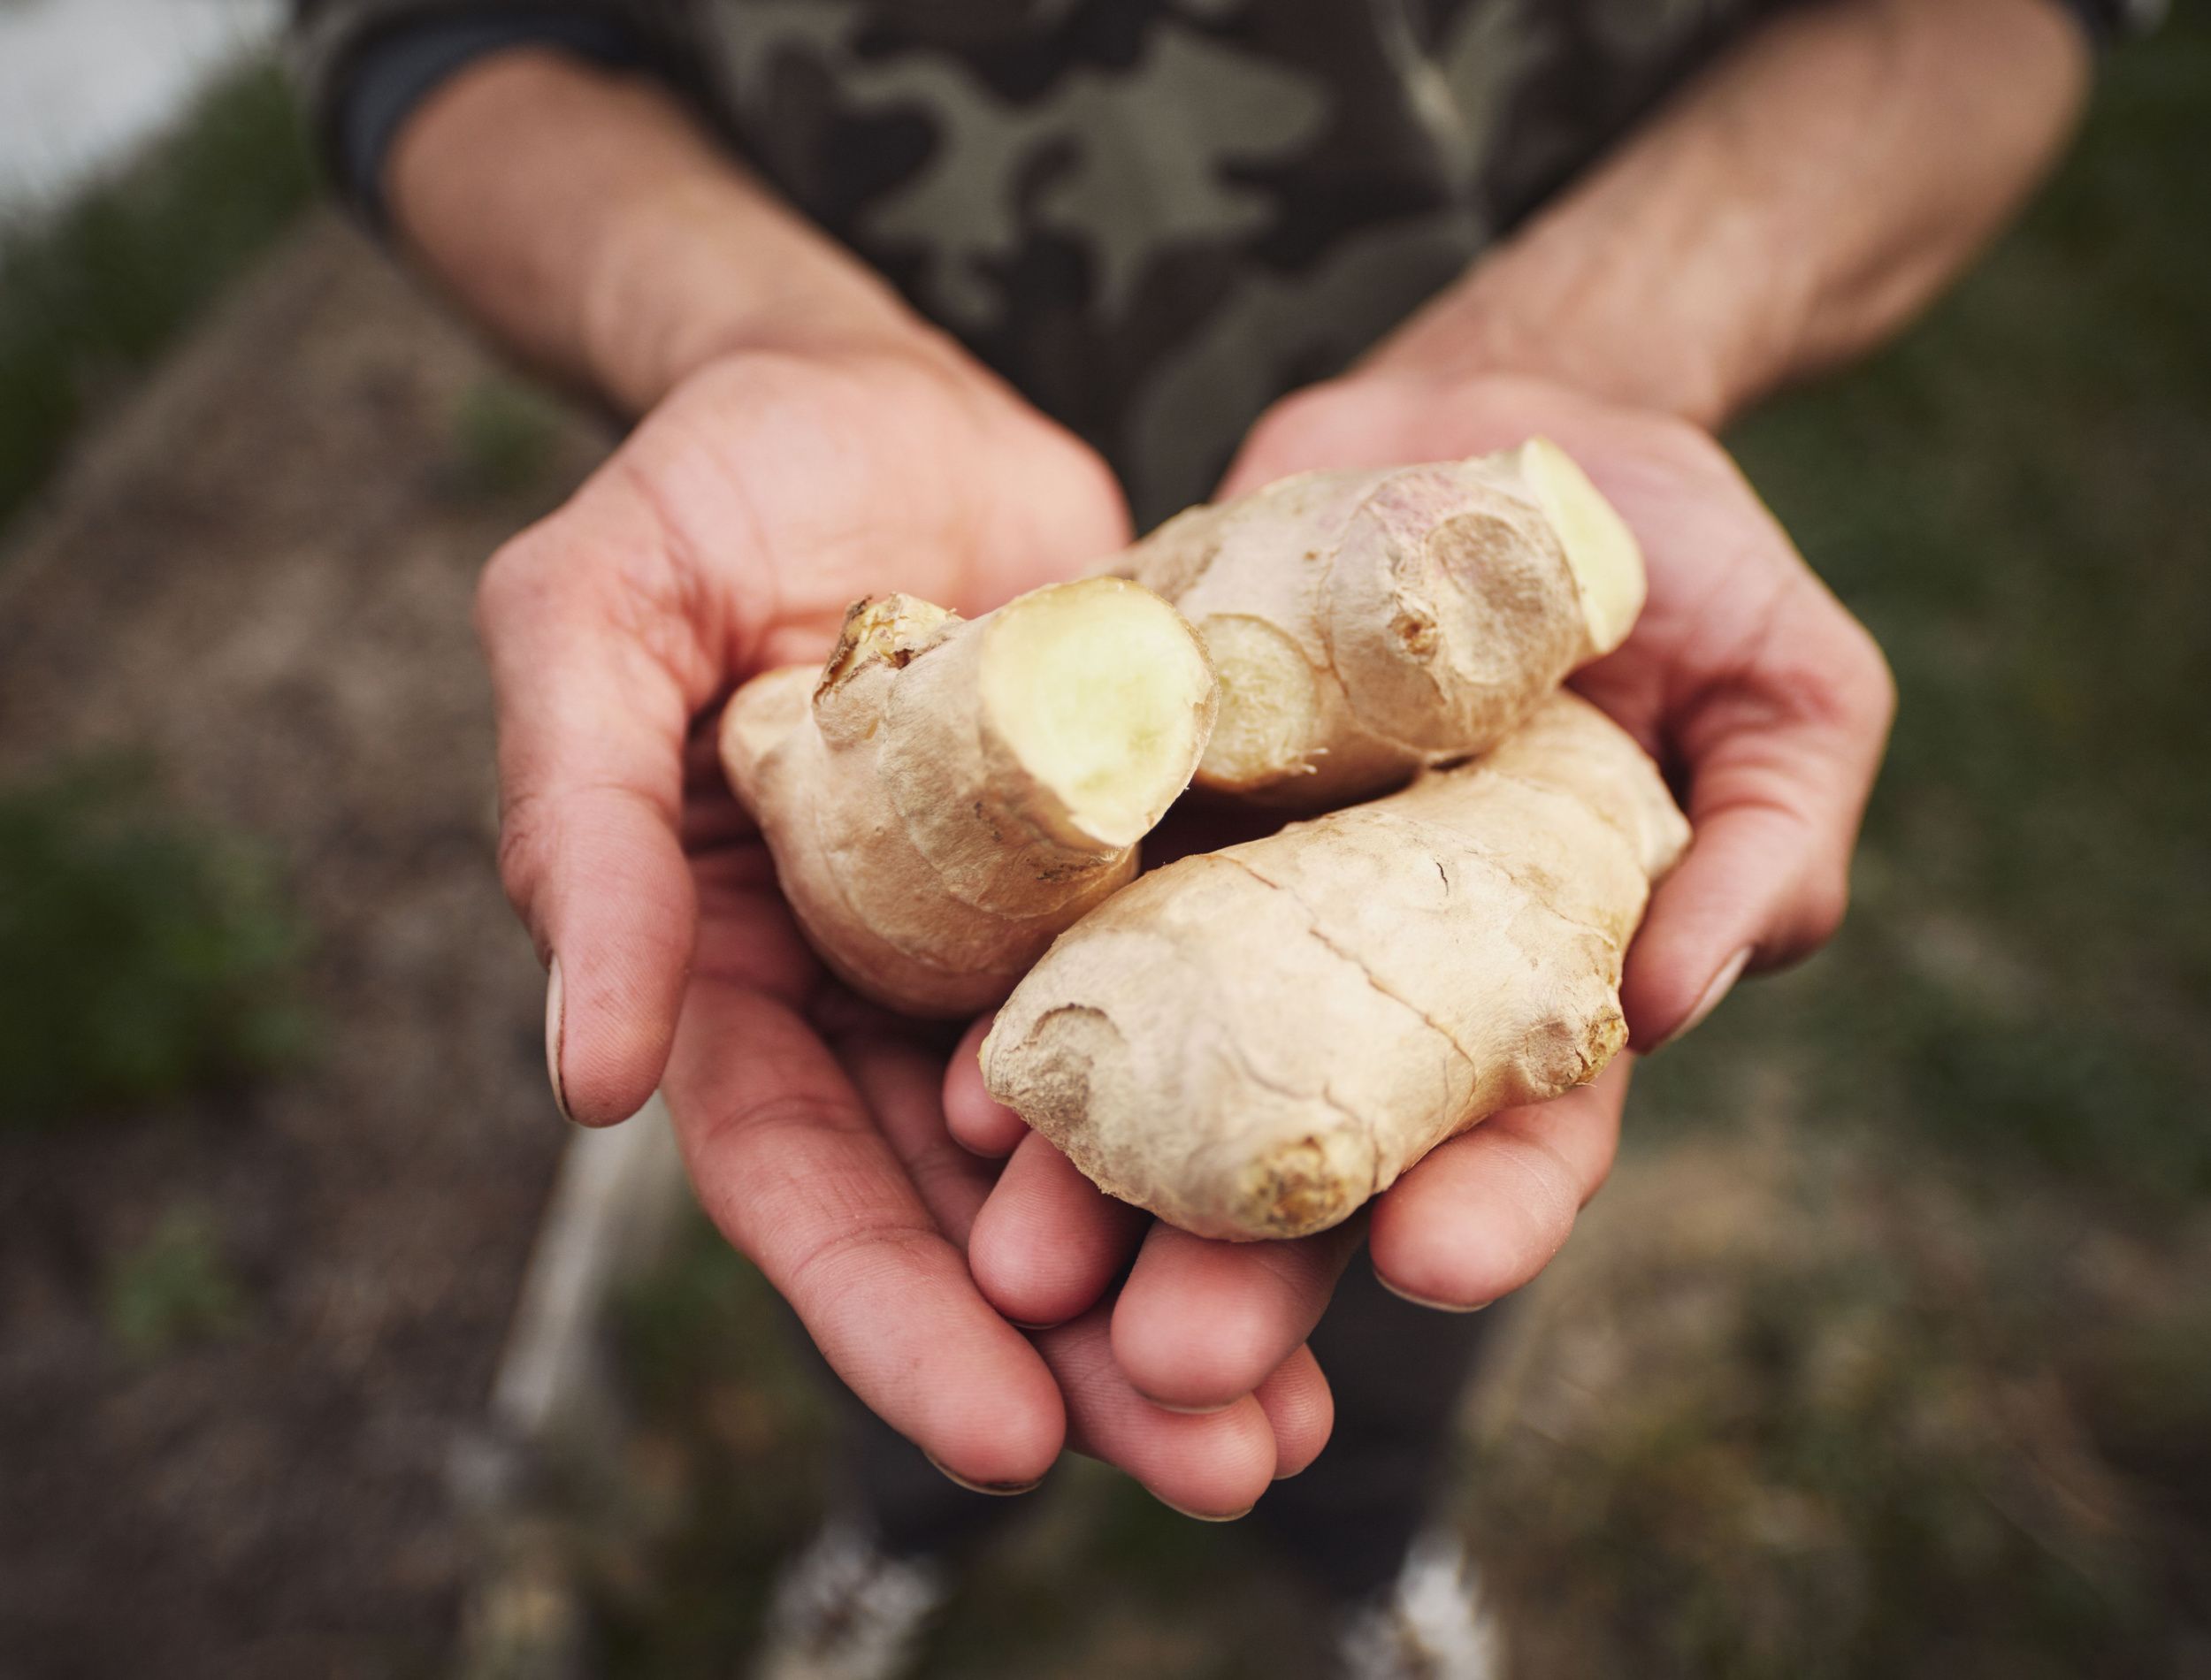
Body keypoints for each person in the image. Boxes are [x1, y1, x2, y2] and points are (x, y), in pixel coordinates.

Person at [287, 0, 2119, 1670]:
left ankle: (1368, 1552)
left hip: (1431, 427)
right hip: (877, 521)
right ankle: (904, 1531)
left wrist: (1586, 347)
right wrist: (761, 335)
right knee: (915, 1281)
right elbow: (429, 38)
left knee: (1393, 1275)